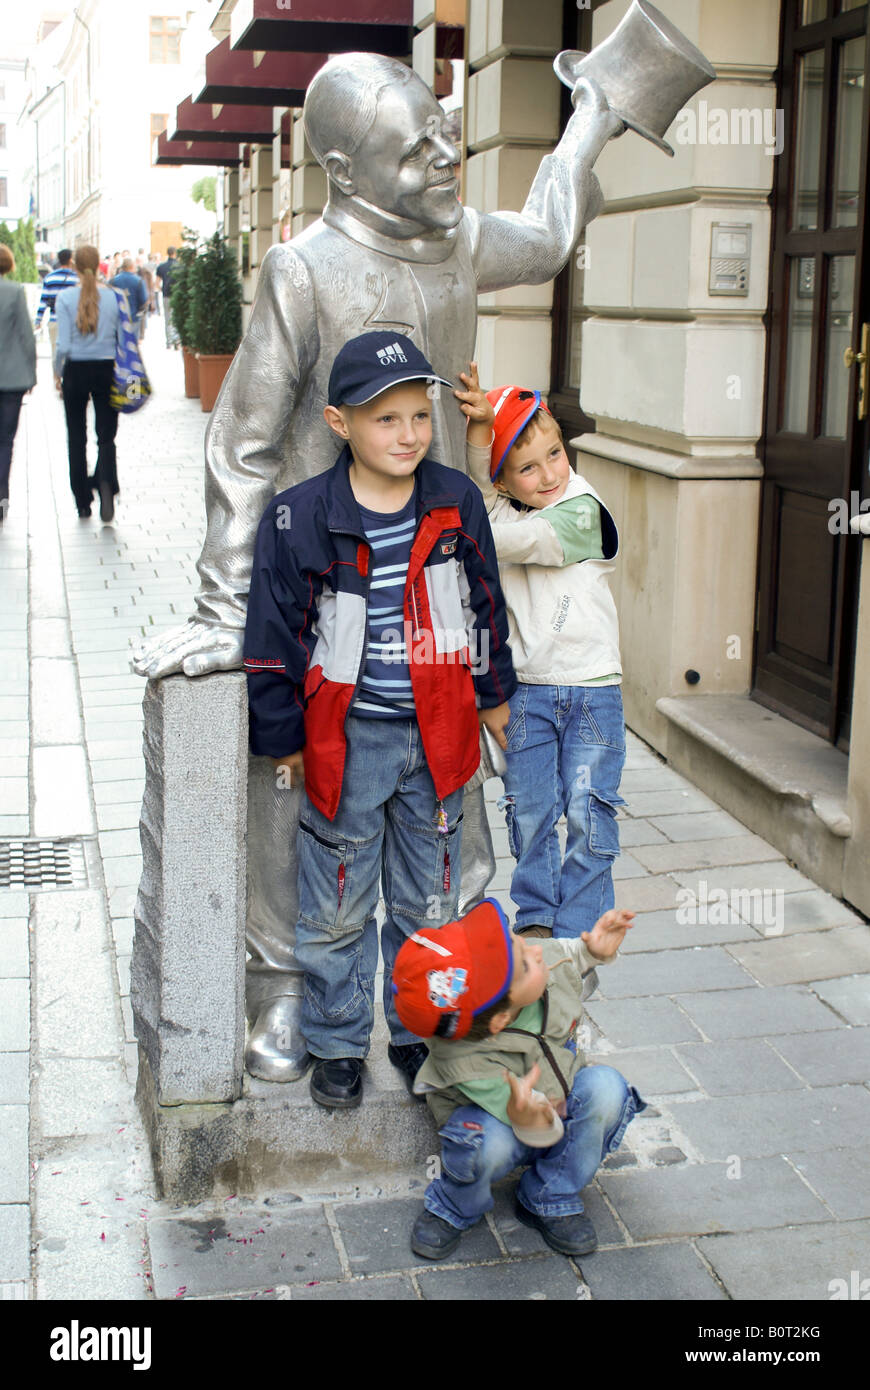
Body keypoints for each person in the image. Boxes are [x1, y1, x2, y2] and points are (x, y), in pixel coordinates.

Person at [132, 52, 625, 1084]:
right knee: (305, 791)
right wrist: (233, 606)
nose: (449, 154)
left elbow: (550, 233)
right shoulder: (304, 269)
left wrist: (595, 118)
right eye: (419, 149)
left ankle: (439, 985)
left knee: (445, 799)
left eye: (446, 129)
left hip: (437, 563)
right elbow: (244, 443)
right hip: (329, 578)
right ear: (349, 175)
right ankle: (289, 989)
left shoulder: (460, 237)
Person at [243, 330, 517, 1109]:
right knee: (335, 899)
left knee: (427, 899)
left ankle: (413, 1027)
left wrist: (496, 702)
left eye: (418, 417)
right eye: (385, 419)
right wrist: (283, 739)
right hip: (349, 740)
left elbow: (485, 606)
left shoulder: (455, 502)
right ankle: (335, 1041)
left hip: (438, 740)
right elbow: (273, 639)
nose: (407, 435)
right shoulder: (302, 519)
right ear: (339, 423)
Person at [455, 366, 625, 941]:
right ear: (504, 483)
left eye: (555, 453)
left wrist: (462, 530)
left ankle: (579, 936)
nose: (550, 472)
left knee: (587, 811)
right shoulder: (495, 508)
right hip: (526, 690)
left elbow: (531, 541)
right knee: (529, 813)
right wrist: (480, 429)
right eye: (528, 467)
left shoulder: (585, 507)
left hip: (592, 689)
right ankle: (535, 927)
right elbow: (475, 490)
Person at [391, 897, 644, 1259]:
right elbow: (525, 1122)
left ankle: (549, 1195)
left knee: (607, 1089)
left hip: (561, 1102)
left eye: (517, 940)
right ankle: (455, 1205)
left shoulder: (525, 959)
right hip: (506, 1122)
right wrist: (529, 1117)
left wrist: (591, 952)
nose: (534, 950)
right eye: (525, 962)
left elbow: (561, 955)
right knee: (484, 1144)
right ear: (499, 1022)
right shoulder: (465, 1060)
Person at [55, 244, 122, 523]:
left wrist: (56, 372)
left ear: (74, 265)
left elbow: (63, 344)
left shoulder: (65, 298)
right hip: (107, 369)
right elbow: (123, 338)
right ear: (98, 265)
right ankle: (106, 481)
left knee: (76, 436)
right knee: (106, 435)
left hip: (75, 370)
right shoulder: (115, 297)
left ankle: (82, 500)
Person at [0, 244, 37, 521]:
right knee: (5, 441)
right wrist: (32, 373)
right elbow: (26, 335)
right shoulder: (13, 292)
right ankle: (2, 494)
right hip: (11, 379)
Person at [34, 249, 80, 360]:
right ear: (70, 259)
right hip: (73, 321)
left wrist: (38, 320)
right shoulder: (77, 278)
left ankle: (56, 376)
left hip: (54, 320)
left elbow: (43, 301)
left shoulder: (49, 278)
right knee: (72, 355)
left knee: (55, 354)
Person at [110, 257, 148, 334]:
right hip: (133, 317)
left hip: (117, 318)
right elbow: (143, 300)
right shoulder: (139, 281)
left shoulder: (113, 281)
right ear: (131, 267)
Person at [155, 246, 179, 348]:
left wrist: (161, 289)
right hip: (177, 295)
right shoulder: (179, 266)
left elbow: (156, 283)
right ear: (175, 253)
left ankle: (169, 342)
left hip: (166, 295)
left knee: (167, 318)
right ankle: (176, 340)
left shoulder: (161, 267)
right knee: (176, 319)